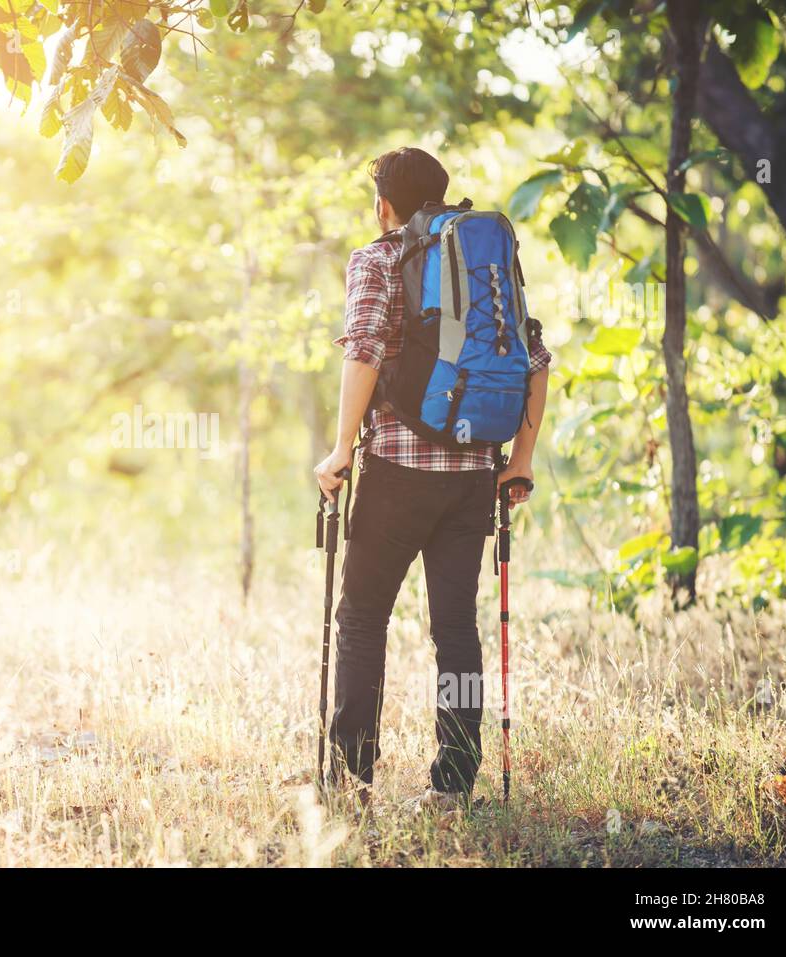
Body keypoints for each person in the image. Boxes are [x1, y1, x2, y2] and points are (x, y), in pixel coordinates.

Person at [313, 147, 552, 810]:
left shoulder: (380, 257)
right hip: (474, 472)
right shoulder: (484, 256)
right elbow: (537, 361)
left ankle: (352, 779)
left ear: (384, 204)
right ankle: (453, 783)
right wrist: (520, 461)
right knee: (455, 627)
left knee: (362, 617)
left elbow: (362, 352)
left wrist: (338, 451)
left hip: (396, 468)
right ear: (440, 198)